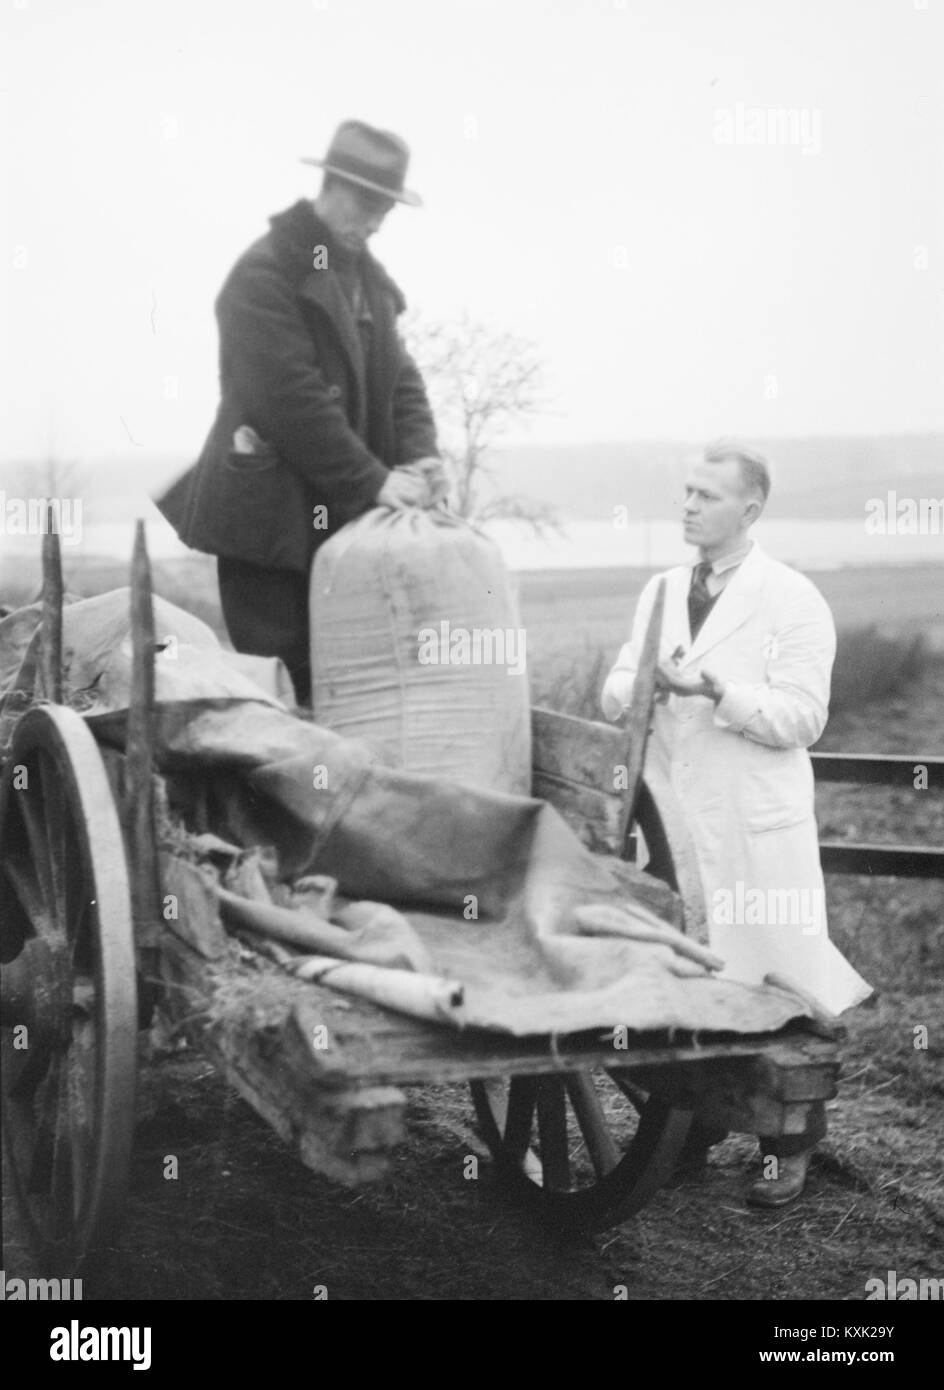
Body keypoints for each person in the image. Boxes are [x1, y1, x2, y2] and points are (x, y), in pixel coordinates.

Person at [601, 441, 871, 1206]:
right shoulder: (660, 589)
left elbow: (804, 716)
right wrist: (639, 684)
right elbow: (619, 683)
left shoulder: (791, 598)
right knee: (698, 978)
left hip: (755, 823)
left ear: (750, 510)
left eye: (707, 495)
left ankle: (788, 1146)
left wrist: (719, 690)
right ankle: (696, 1128)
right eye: (686, 491)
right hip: (678, 829)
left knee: (778, 983)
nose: (688, 505)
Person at [157, 120, 446, 705]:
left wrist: (422, 454)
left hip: (344, 526)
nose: (373, 222)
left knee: (352, 691)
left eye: (384, 209)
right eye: (366, 204)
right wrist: (374, 481)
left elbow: (401, 379)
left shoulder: (366, 280)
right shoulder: (263, 275)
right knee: (283, 695)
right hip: (272, 529)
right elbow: (290, 400)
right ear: (330, 185)